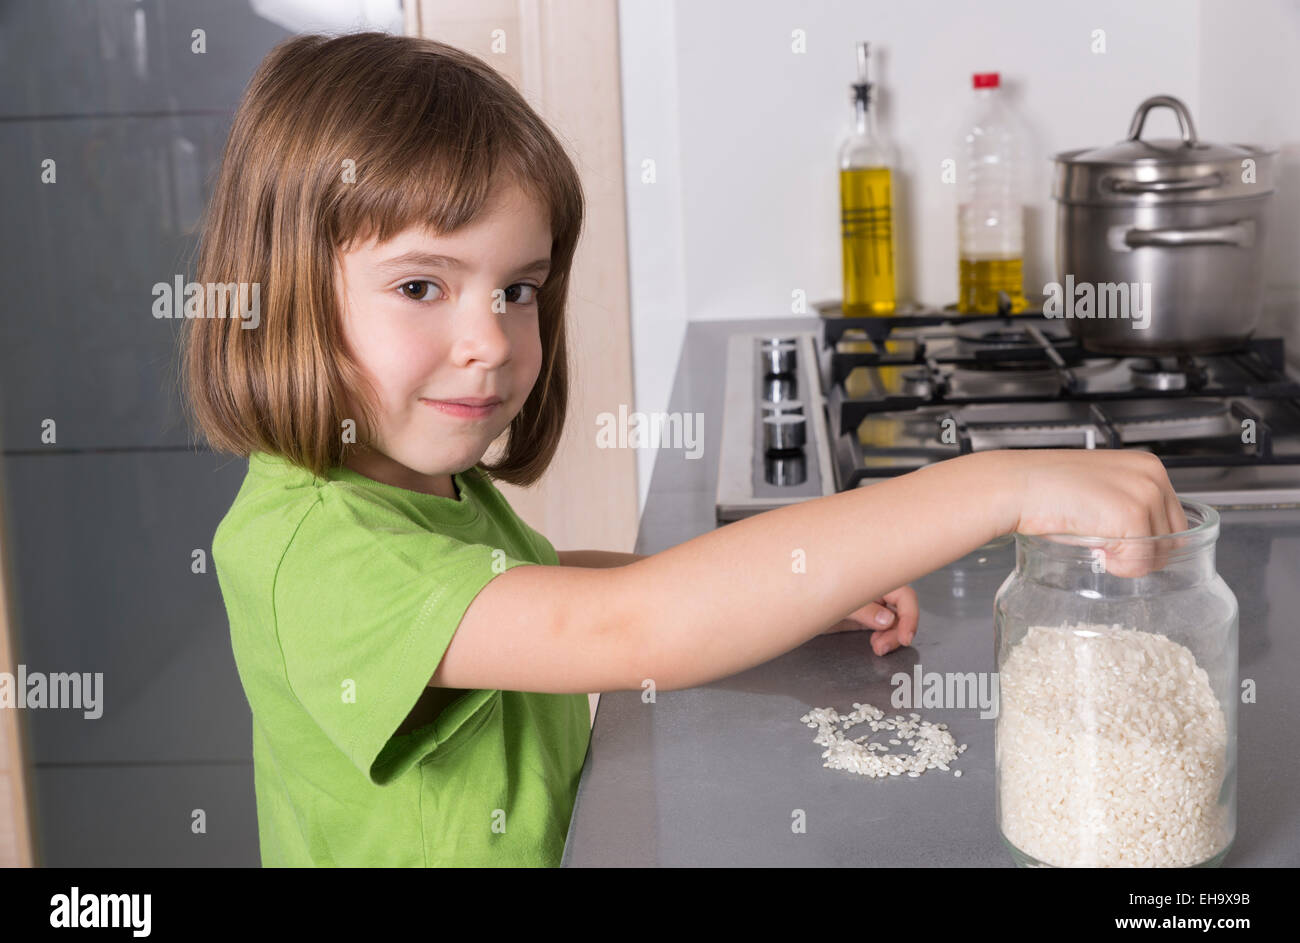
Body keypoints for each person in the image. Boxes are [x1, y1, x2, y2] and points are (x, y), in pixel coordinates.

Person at [182, 32, 1188, 867]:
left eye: (517, 289)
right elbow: (617, 631)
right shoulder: (315, 553)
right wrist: (996, 484)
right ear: (283, 301)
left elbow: (532, 589)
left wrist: (795, 588)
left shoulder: (401, 486)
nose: (489, 338)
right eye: (419, 287)